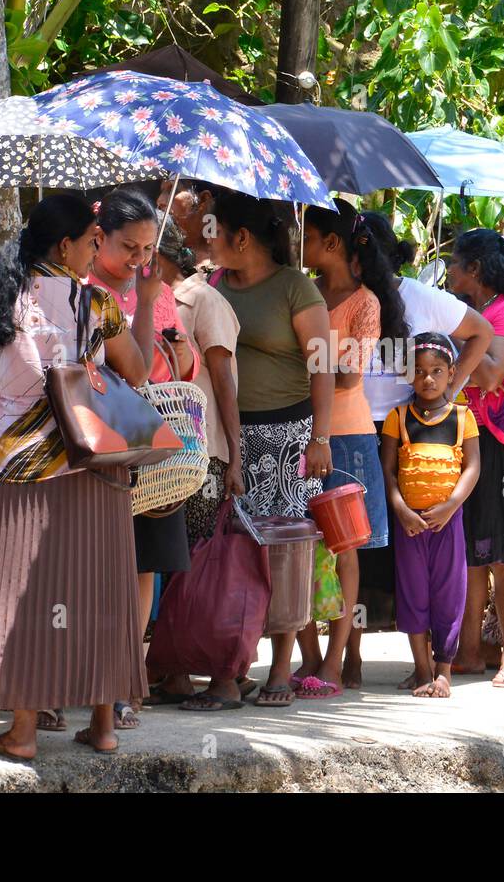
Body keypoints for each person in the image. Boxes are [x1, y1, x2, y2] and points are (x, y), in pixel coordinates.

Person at [0, 195, 150, 759]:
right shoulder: (98, 303)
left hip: (19, 469)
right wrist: (148, 300)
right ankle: (105, 725)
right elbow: (138, 370)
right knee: (100, 590)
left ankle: (21, 732)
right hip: (94, 463)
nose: (98, 250)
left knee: (24, 594)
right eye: (93, 240)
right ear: (65, 246)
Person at [350, 211, 493, 683]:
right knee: (360, 550)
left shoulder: (420, 297)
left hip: (413, 429)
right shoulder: (341, 296)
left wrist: (450, 393)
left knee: (417, 561)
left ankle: (436, 664)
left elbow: (481, 332)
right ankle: (352, 656)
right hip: (360, 430)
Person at [204, 191, 333, 710]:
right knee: (232, 551)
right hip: (229, 438)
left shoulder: (296, 290)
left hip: (287, 438)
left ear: (242, 238)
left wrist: (320, 439)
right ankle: (231, 666)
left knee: (283, 555)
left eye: (215, 230)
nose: (206, 239)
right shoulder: (212, 287)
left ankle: (280, 666)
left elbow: (322, 367)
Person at [87, 186, 194, 730]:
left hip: (151, 443)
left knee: (143, 560)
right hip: (97, 438)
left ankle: (127, 679)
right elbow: (126, 365)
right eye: (129, 247)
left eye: (148, 249)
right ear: (97, 237)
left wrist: (157, 309)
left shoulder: (156, 288)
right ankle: (83, 680)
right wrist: (146, 307)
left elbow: (168, 363)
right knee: (92, 562)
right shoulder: (80, 288)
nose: (139, 260)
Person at [294, 198, 405, 697]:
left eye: (308, 235)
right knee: (295, 545)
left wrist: (292, 367)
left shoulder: (365, 303)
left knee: (345, 551)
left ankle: (337, 659)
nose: (299, 243)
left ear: (331, 243)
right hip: (300, 431)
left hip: (348, 435)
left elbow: (347, 377)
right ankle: (310, 658)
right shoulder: (302, 292)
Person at [445, 230, 504, 688]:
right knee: (468, 553)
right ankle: (466, 652)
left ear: (475, 270)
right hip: (464, 437)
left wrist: (463, 331)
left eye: (454, 264)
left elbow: (490, 375)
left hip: (503, 441)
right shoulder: (478, 315)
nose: (448, 272)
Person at [382, 333, 481, 697]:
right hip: (410, 522)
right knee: (413, 593)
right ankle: (421, 670)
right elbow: (388, 471)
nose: (428, 379)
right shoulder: (398, 417)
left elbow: (472, 468)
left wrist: (451, 505)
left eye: (437, 371)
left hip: (447, 520)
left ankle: (444, 670)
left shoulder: (462, 416)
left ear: (452, 372)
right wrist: (401, 509)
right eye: (420, 371)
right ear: (409, 374)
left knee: (448, 592)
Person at [154, 219, 242, 548]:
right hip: (163, 454)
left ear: (158, 256)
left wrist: (235, 461)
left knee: (194, 556)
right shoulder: (153, 301)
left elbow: (225, 385)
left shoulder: (205, 302)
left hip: (204, 454)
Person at [157, 178, 220, 271]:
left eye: (173, 190)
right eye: (162, 191)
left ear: (203, 199)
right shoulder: (151, 252)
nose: (159, 200)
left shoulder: (227, 266)